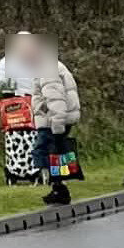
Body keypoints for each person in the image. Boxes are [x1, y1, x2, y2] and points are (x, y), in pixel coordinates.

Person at [29, 41, 82, 205]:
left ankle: (57, 185)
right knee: (57, 155)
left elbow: (56, 99)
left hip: (52, 121)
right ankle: (59, 187)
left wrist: (57, 124)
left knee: (43, 152)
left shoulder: (47, 70)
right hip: (55, 119)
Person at [0, 31, 44, 185]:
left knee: (36, 138)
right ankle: (14, 171)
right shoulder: (6, 63)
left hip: (36, 106)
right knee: (14, 138)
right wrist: (12, 89)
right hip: (14, 108)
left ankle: (35, 170)